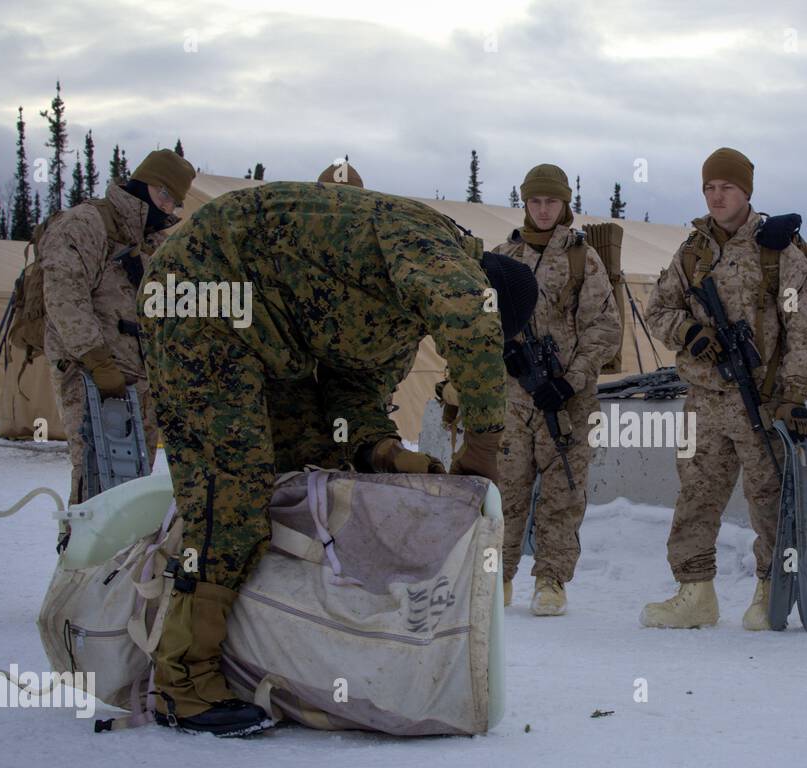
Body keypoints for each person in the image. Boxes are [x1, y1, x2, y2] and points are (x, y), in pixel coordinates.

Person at [137, 181, 534, 736]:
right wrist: (484, 445)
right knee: (233, 491)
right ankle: (182, 680)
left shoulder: (403, 304)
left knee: (314, 472)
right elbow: (467, 322)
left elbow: (356, 389)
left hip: (271, 341)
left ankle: (269, 644)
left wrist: (387, 454)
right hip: (202, 299)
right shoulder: (431, 246)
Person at [641, 147, 807, 630]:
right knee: (696, 496)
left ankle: (771, 588)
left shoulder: (777, 248)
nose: (716, 196)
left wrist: (793, 395)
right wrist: (689, 333)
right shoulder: (694, 251)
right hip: (704, 400)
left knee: (769, 497)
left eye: (726, 187)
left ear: (747, 190)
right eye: (709, 188)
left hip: (761, 401)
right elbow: (657, 310)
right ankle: (695, 591)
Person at [491, 164, 619, 615]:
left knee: (563, 491)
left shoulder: (583, 258)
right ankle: (497, 579)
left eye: (552, 201)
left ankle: (550, 581)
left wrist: (570, 379)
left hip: (566, 400)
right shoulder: (503, 255)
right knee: (506, 488)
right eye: (535, 201)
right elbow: (482, 320)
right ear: (524, 203)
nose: (543, 210)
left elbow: (604, 328)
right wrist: (502, 352)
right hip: (512, 399)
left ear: (565, 204)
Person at [40, 148, 194, 505]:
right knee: (97, 483)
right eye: (166, 198)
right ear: (154, 188)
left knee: (132, 488)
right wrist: (98, 361)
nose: (168, 210)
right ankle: (83, 559)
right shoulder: (86, 223)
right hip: (93, 374)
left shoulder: (153, 242)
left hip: (141, 379)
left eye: (175, 204)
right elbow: (64, 294)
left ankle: (123, 559)